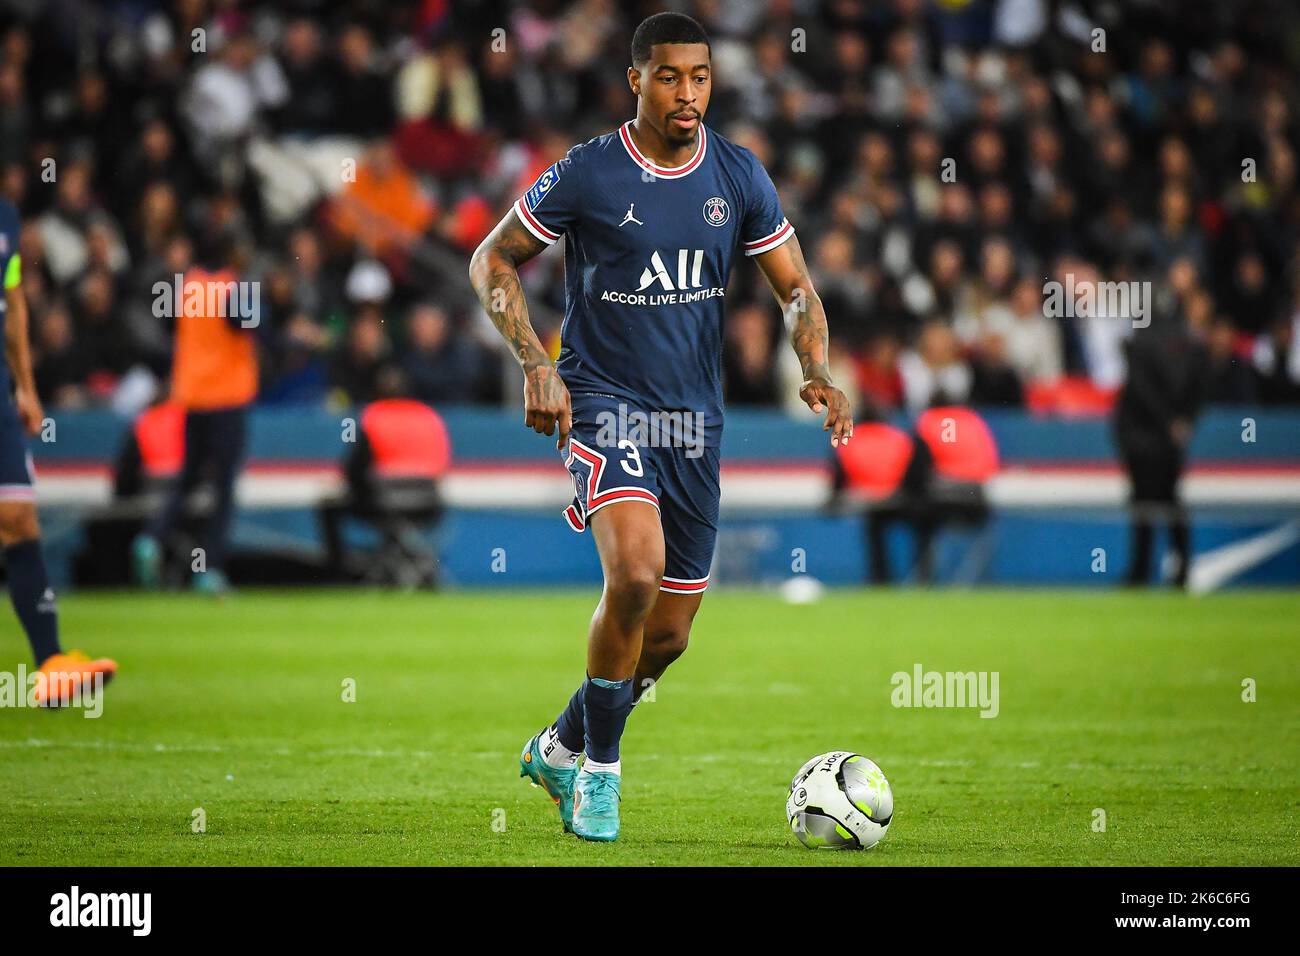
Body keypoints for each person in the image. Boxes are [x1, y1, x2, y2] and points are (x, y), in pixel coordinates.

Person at [468, 12, 852, 843]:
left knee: (669, 635)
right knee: (634, 575)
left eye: (702, 77)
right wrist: (536, 362)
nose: (689, 93)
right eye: (671, 77)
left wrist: (815, 367)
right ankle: (599, 778)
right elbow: (491, 260)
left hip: (693, 421)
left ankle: (561, 744)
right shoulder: (589, 174)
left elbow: (794, 288)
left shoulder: (739, 176)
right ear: (636, 80)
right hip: (604, 399)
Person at [0, 198, 117, 704]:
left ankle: (50, 663)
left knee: (20, 517)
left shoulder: (6, 217)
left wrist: (26, 386)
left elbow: (14, 300)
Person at [131, 234, 258, 593]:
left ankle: (152, 537)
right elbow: (247, 325)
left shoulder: (187, 287)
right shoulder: (234, 287)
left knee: (187, 479)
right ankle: (210, 567)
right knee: (223, 487)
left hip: (192, 396)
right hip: (227, 397)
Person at [1114, 307, 1210, 587]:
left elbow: (1141, 387)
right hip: (1160, 435)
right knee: (1165, 498)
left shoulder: (1143, 343)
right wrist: (1180, 422)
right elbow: (1199, 388)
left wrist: (1174, 421)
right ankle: (1173, 569)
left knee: (1149, 500)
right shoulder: (1189, 343)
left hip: (1143, 436)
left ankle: (1145, 571)